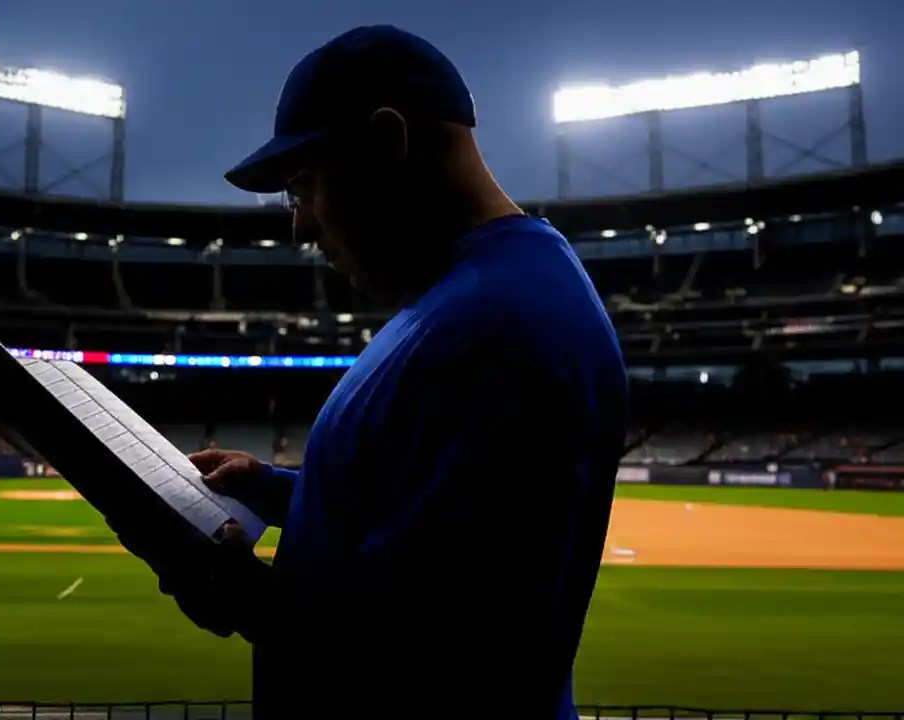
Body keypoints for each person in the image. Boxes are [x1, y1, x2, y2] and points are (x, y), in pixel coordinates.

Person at [109, 25, 628, 719]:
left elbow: (431, 659)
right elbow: (425, 522)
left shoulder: (492, 323)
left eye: (303, 187)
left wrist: (236, 592)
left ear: (389, 143)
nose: (299, 225)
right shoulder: (485, 294)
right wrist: (275, 490)